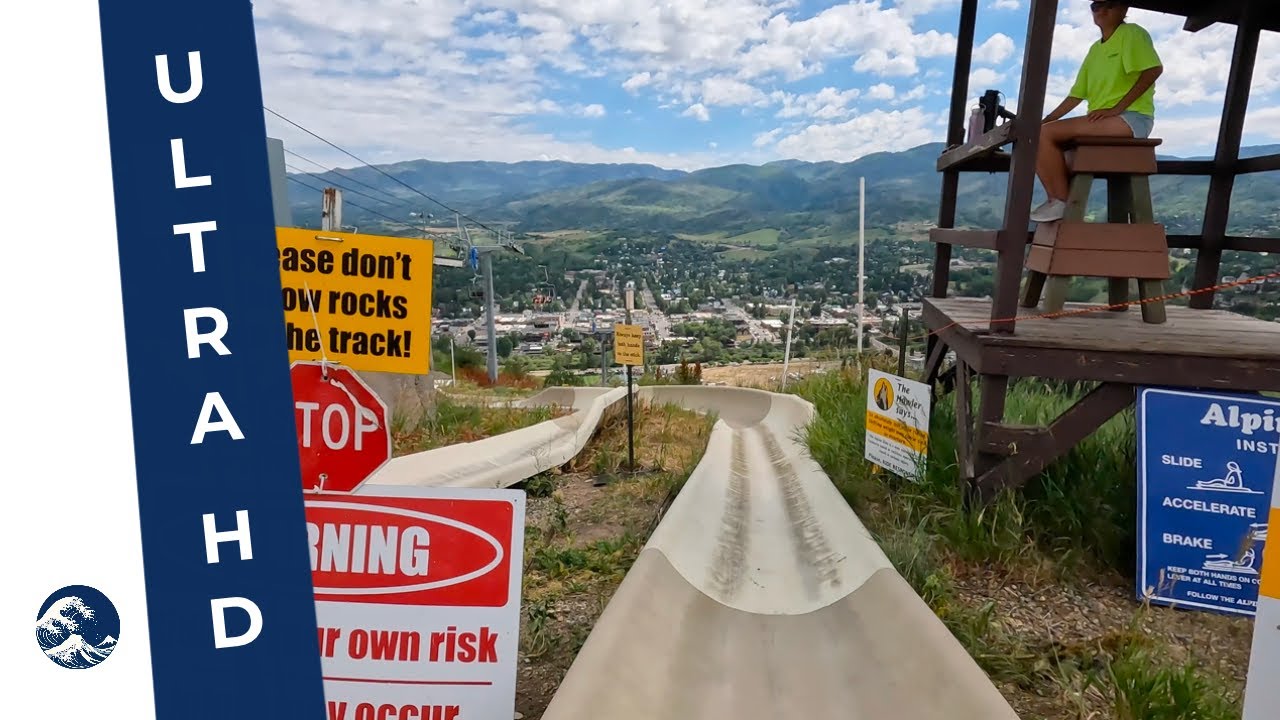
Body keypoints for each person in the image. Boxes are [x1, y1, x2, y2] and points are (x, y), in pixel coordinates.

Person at [1030, 1, 1163, 223]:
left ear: (1124, 9)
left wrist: (1117, 108)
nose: (1100, 10)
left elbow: (1153, 70)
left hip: (1131, 118)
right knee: (1041, 132)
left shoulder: (1132, 33)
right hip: (1106, 119)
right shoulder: (1095, 49)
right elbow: (1076, 95)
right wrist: (1046, 120)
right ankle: (1057, 200)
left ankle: (1060, 200)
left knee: (1044, 135)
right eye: (1095, 6)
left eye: (1108, 5)